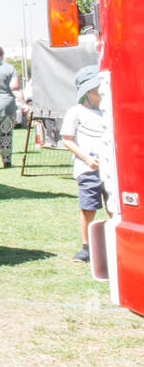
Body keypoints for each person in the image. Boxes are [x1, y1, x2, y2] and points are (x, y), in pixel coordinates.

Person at [61, 65, 107, 263]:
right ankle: (86, 247)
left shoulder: (107, 111)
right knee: (88, 207)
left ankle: (112, 242)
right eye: (98, 88)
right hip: (87, 169)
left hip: (109, 168)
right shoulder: (75, 112)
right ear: (89, 91)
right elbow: (67, 139)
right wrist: (87, 158)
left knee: (113, 205)